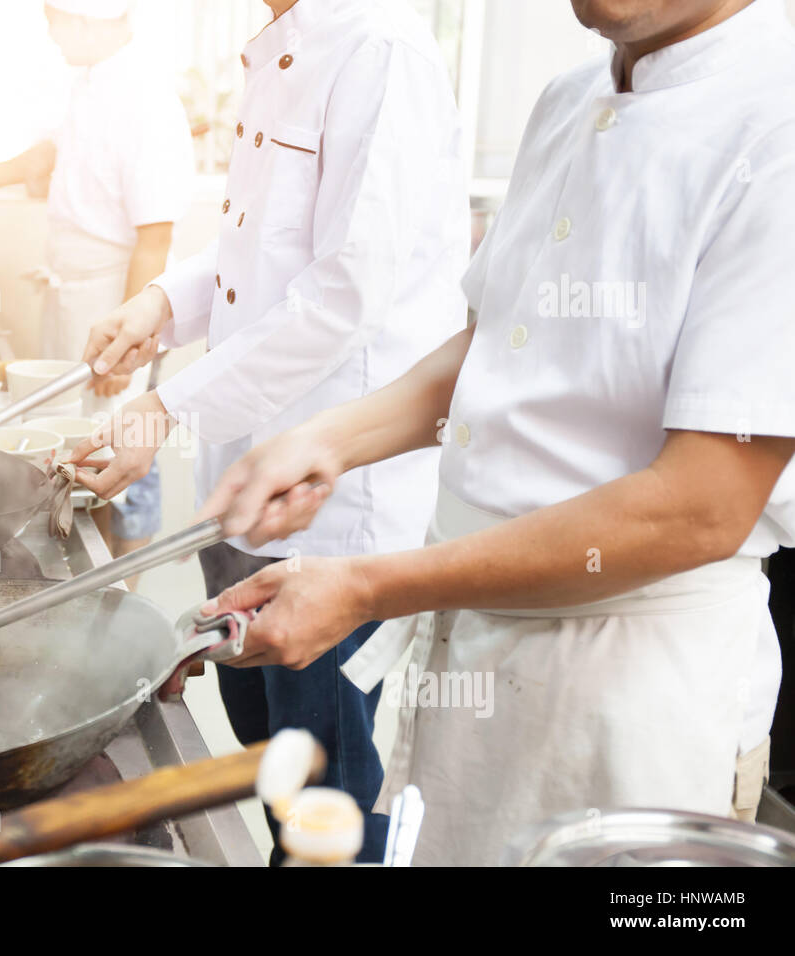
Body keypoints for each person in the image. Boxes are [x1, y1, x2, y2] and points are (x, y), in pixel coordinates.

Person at [189, 0, 795, 865]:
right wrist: (327, 439)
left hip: (634, 697)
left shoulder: (779, 124)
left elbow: (701, 507)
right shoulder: (568, 99)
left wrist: (368, 587)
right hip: (480, 657)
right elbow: (493, 348)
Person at [67, 0, 469, 862]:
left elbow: (342, 295)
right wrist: (161, 305)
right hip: (247, 483)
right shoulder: (279, 46)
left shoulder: (382, 50)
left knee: (323, 801)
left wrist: (164, 407)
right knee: (264, 757)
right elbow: (255, 253)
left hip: (335, 510)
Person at [0, 0, 193, 568]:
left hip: (115, 301)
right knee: (80, 447)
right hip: (75, 297)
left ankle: (124, 596)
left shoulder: (145, 99)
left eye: (52, 17)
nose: (49, 32)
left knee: (124, 450)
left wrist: (123, 343)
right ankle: (89, 574)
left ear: (83, 17)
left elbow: (155, 238)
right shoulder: (93, 82)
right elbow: (53, 151)